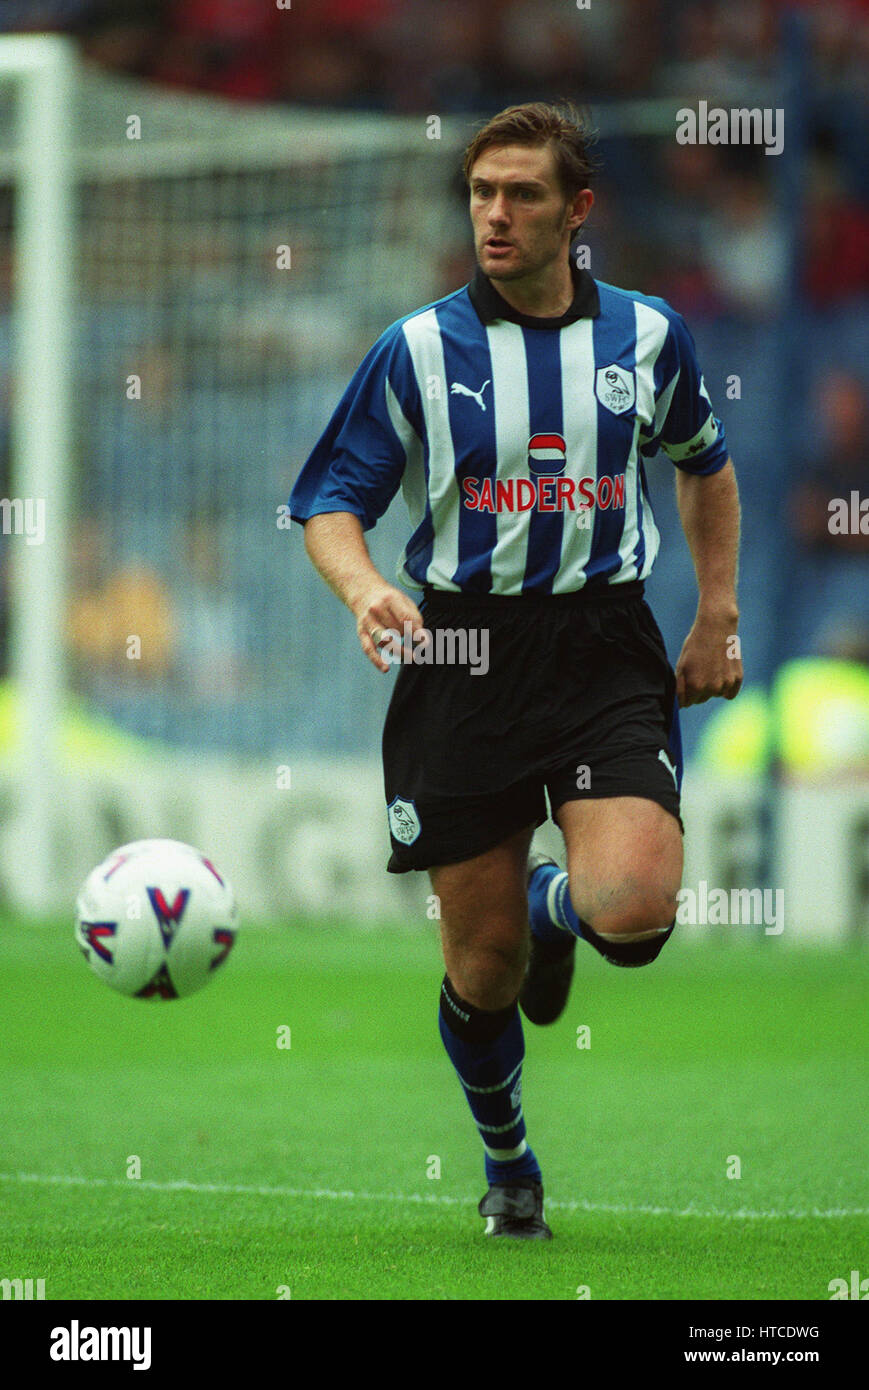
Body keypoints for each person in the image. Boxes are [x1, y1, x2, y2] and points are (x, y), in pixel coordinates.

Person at [290, 102, 742, 1239]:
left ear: (575, 212)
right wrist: (364, 589)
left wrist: (715, 616)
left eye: (522, 194)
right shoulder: (416, 350)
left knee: (632, 915)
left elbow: (702, 463)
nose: (495, 214)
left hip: (600, 643)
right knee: (483, 971)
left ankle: (565, 908)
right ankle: (509, 1163)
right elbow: (328, 504)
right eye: (482, 193)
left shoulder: (643, 338)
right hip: (460, 652)